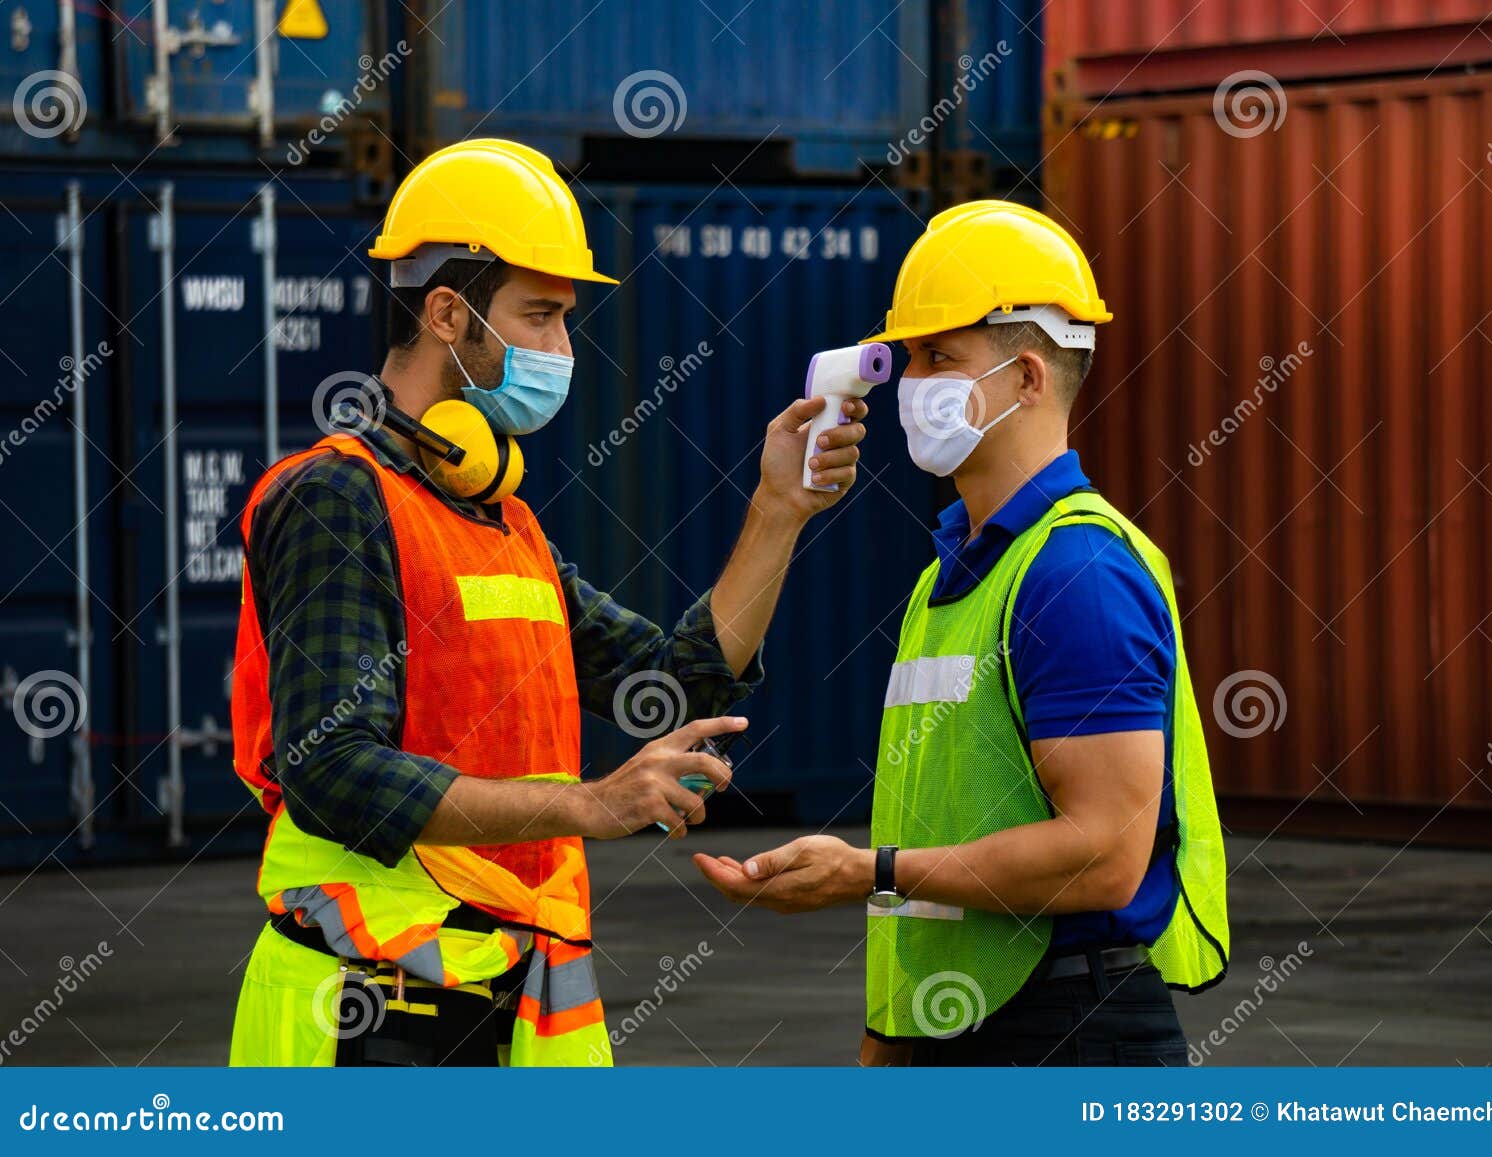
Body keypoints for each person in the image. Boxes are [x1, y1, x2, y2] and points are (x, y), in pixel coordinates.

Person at [228, 140, 868, 1067]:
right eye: (541, 316)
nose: (563, 350)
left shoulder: (507, 524)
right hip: (366, 1012)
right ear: (447, 313)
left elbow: (671, 686)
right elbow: (332, 771)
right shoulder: (334, 499)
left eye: (566, 321)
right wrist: (590, 803)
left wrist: (779, 508)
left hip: (512, 1002)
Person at [695, 200, 1228, 1066]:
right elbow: (938, 814)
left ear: (1027, 378)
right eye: (907, 358)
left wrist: (865, 870)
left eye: (940, 356)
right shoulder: (947, 576)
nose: (910, 383)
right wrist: (888, 1044)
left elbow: (1103, 857)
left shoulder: (1076, 573)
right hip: (956, 1034)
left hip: (1067, 1032)